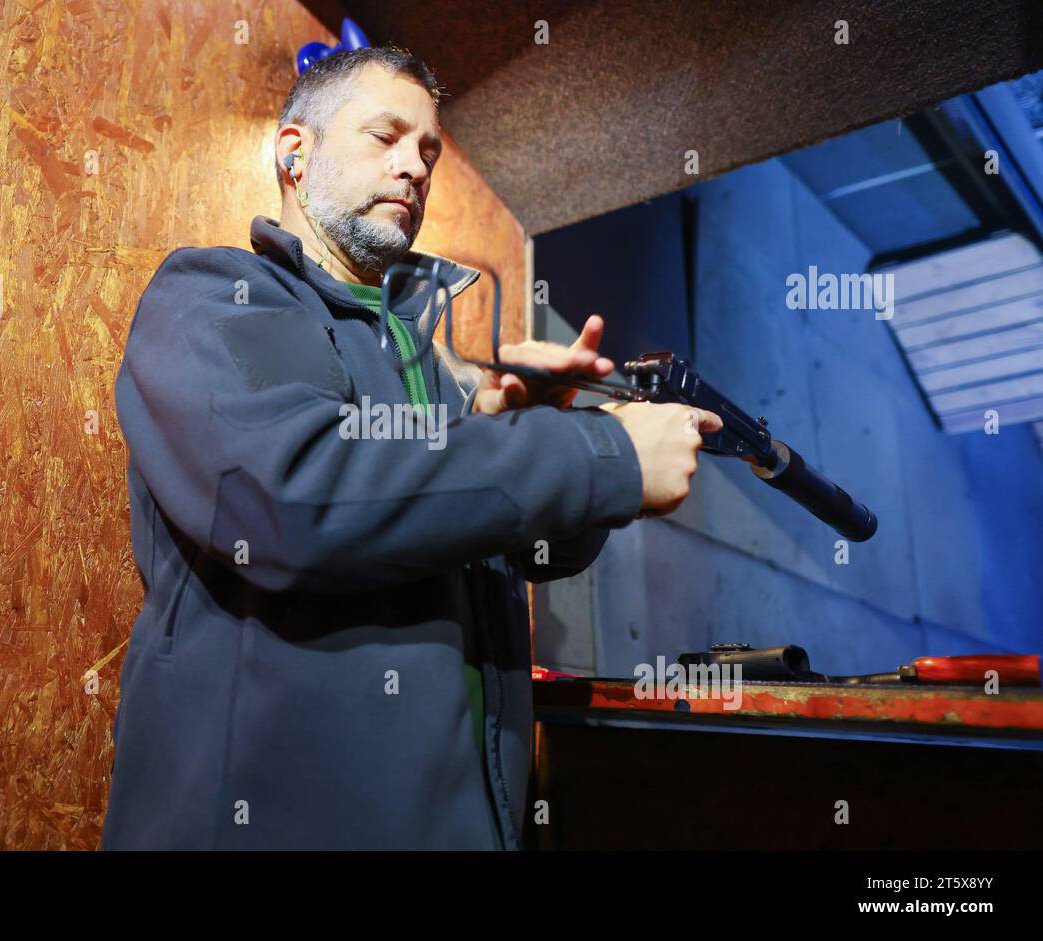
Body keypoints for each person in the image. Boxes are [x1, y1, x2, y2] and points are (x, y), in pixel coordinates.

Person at [102, 45, 720, 850]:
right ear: (295, 153)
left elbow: (533, 550)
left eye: (427, 149)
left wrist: (525, 425)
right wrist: (598, 454)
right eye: (385, 136)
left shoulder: (434, 367)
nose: (415, 166)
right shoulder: (218, 297)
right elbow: (298, 497)